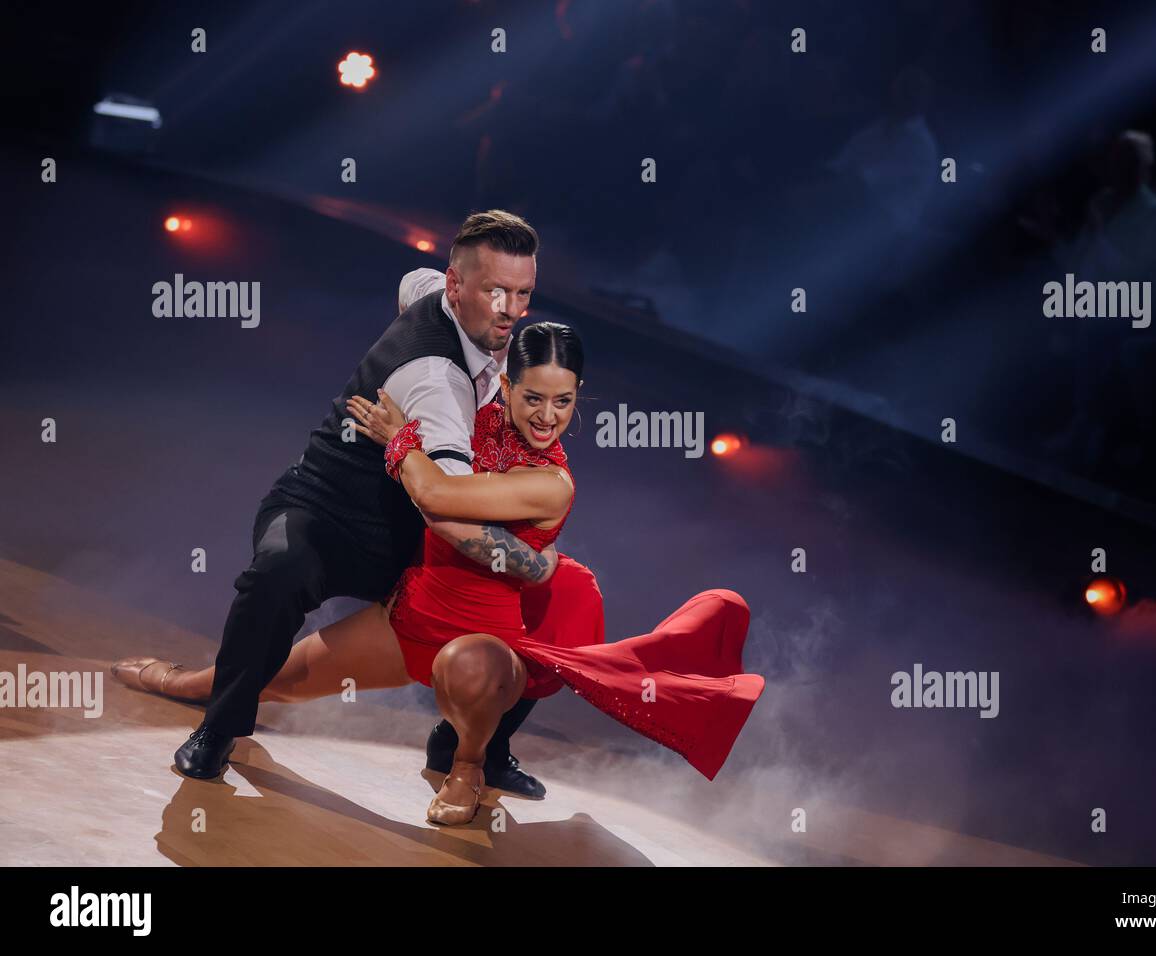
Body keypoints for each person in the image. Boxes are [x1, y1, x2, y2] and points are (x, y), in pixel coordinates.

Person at [118, 322, 764, 826]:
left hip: (484, 642)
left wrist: (403, 442)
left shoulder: (550, 483)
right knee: (274, 681)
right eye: (533, 397)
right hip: (408, 620)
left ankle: (467, 766)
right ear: (503, 387)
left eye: (563, 402)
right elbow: (424, 300)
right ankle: (193, 685)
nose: (547, 415)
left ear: (578, 401)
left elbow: (440, 503)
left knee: (470, 669)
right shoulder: (463, 415)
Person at [158, 210, 566, 793]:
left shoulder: (441, 296)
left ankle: (474, 749)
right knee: (278, 572)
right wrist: (533, 559)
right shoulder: (435, 380)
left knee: (562, 602)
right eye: (495, 291)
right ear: (458, 287)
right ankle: (220, 727)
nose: (509, 310)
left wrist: (546, 575)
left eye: (522, 293)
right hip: (326, 512)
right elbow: (450, 506)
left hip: (405, 545)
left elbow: (410, 282)